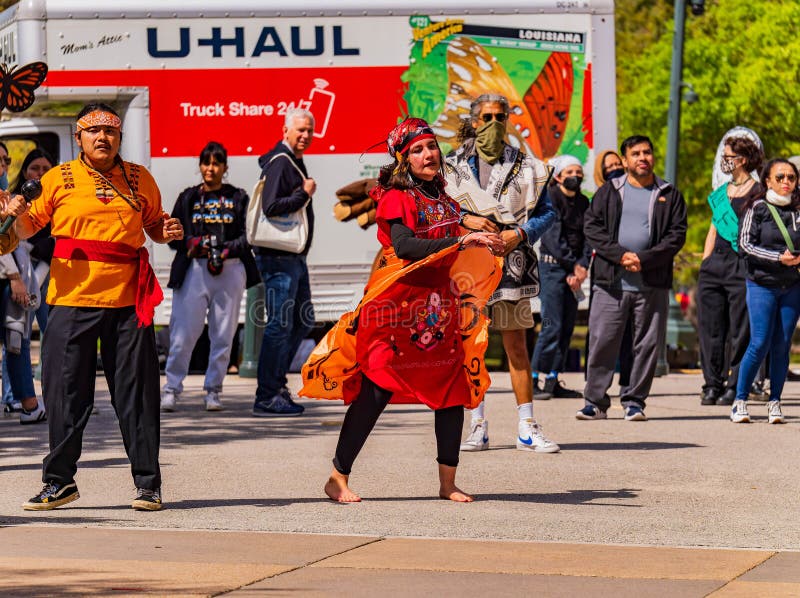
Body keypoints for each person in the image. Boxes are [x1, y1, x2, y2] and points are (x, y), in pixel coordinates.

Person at [300, 117, 504, 502]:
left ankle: (447, 484)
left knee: (450, 391)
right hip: (394, 306)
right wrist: (461, 241)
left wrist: (468, 222)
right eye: (417, 150)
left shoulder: (440, 196)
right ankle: (337, 477)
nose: (428, 154)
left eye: (431, 146)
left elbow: (444, 217)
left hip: (434, 309)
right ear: (402, 158)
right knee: (376, 388)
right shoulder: (397, 197)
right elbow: (407, 245)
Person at [10, 102, 184, 511]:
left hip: (128, 302)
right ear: (79, 138)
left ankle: (148, 484)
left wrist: (167, 230)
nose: (102, 137)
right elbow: (25, 228)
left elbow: (155, 225)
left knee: (137, 394)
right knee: (65, 393)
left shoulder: (141, 178)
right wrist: (12, 214)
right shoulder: (57, 178)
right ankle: (59, 482)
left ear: (120, 137)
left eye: (111, 131)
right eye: (94, 131)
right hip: (72, 301)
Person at [445, 93, 559, 454]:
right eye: (488, 117)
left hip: (514, 265)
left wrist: (520, 234)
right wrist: (465, 220)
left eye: (501, 117)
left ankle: (527, 426)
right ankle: (477, 424)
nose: (494, 123)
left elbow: (547, 213)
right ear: (474, 121)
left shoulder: (528, 166)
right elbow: (440, 210)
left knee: (516, 346)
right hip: (469, 267)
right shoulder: (453, 166)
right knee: (472, 345)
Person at [579, 135, 687, 421]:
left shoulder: (669, 193)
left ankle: (634, 401)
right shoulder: (609, 191)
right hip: (610, 282)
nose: (643, 157)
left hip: (651, 283)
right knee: (603, 340)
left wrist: (644, 259)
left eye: (647, 152)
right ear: (625, 161)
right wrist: (620, 255)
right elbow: (592, 227)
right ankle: (595, 401)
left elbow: (676, 235)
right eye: (636, 153)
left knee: (647, 345)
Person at [161, 141, 260, 412]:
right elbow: (173, 236)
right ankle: (171, 388)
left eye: (217, 163)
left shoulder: (238, 197)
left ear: (225, 167)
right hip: (194, 269)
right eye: (206, 162)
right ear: (200, 165)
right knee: (182, 332)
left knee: (223, 334)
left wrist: (226, 249)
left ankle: (214, 390)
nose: (211, 168)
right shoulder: (188, 197)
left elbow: (249, 236)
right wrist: (193, 243)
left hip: (230, 270)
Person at [251, 109, 316, 417]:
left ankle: (275, 385)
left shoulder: (289, 160)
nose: (305, 135)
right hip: (279, 257)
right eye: (300, 130)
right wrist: (304, 195)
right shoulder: (281, 162)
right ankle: (267, 394)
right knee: (279, 324)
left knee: (302, 320)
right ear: (286, 130)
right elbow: (272, 207)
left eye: (309, 131)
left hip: (292, 257)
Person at [732, 158, 800, 424]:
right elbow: (745, 245)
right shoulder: (757, 207)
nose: (786, 182)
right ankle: (740, 399)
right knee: (760, 342)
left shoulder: (797, 210)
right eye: (780, 177)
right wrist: (776, 258)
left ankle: (775, 402)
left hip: (792, 286)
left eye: (791, 178)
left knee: (782, 345)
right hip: (761, 284)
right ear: (768, 181)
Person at [697, 136, 763, 406]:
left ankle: (735, 385)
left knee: (739, 330)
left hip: (742, 264)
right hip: (715, 266)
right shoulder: (721, 193)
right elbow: (713, 228)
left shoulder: (758, 192)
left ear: (742, 160)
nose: (724, 161)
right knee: (710, 329)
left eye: (728, 156)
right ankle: (712, 384)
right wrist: (705, 262)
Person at [531, 155, 591, 398]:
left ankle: (553, 379)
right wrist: (572, 267)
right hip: (552, 269)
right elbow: (553, 239)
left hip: (573, 272)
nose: (575, 176)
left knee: (566, 327)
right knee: (549, 325)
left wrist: (582, 266)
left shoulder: (584, 203)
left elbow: (588, 237)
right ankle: (534, 379)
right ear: (557, 176)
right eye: (569, 172)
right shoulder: (550, 199)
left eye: (578, 172)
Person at [2, 148, 55, 417]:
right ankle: (15, 398)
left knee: (53, 337)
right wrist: (16, 275)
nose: (41, 174)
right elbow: (11, 241)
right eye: (35, 168)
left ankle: (51, 397)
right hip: (19, 276)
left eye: (47, 169)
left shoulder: (56, 199)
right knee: (16, 336)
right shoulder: (13, 200)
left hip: (48, 277)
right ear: (25, 173)